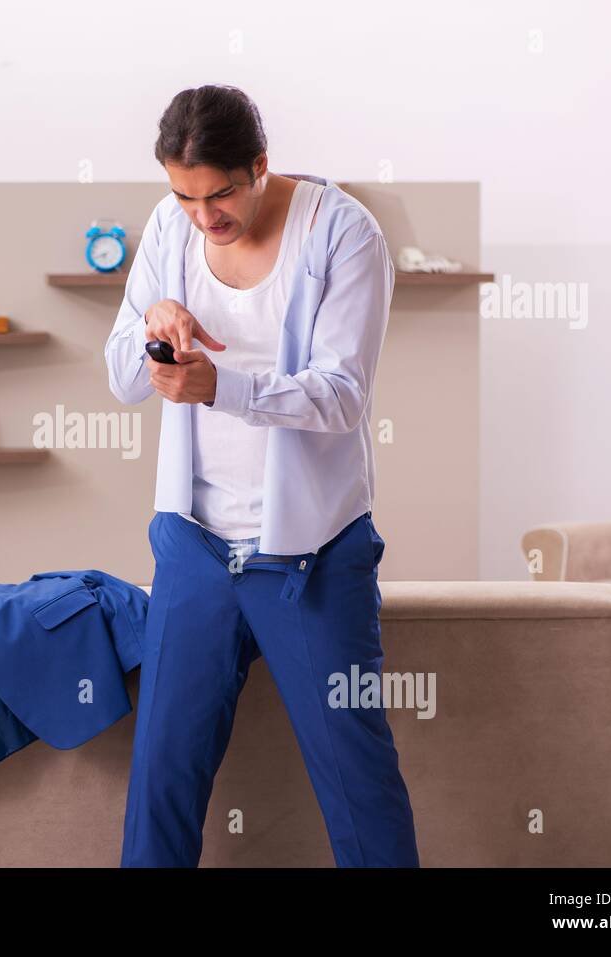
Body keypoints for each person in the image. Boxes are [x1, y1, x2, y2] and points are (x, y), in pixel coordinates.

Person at [103, 84, 419, 867]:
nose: (202, 217)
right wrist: (155, 325)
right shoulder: (169, 234)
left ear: (261, 166)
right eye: (183, 196)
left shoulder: (343, 233)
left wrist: (223, 386)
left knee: (357, 773)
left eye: (219, 195)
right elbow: (120, 376)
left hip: (311, 552)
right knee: (162, 775)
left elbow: (343, 394)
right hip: (193, 545)